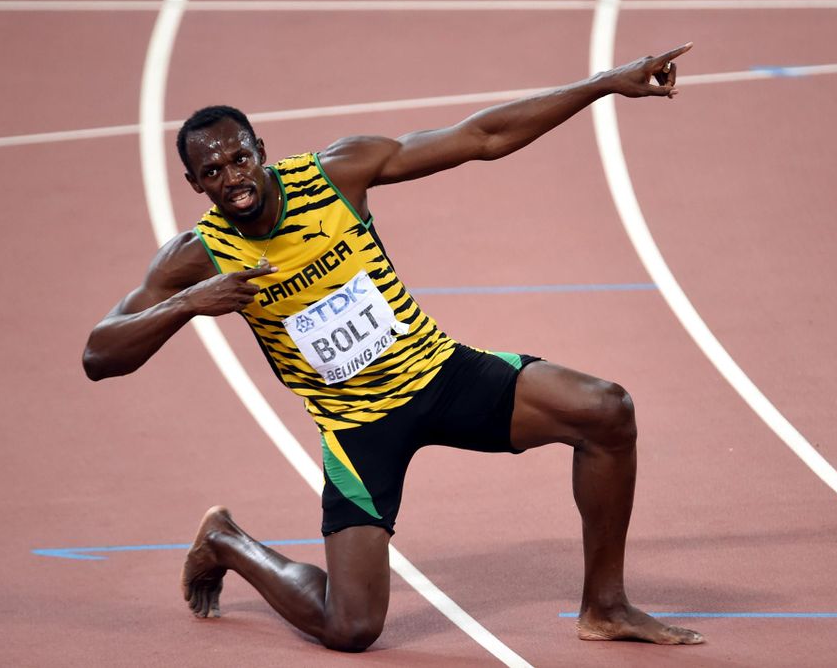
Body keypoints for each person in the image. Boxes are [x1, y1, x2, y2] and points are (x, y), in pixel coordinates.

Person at [82, 43, 703, 652]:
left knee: (607, 410)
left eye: (239, 160)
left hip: (437, 372)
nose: (232, 179)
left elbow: (482, 137)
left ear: (260, 152)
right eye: (212, 173)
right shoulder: (197, 257)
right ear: (194, 184)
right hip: (358, 428)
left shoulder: (336, 173)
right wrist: (187, 303)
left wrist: (600, 84)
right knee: (351, 629)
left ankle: (605, 606)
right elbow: (99, 356)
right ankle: (228, 543)